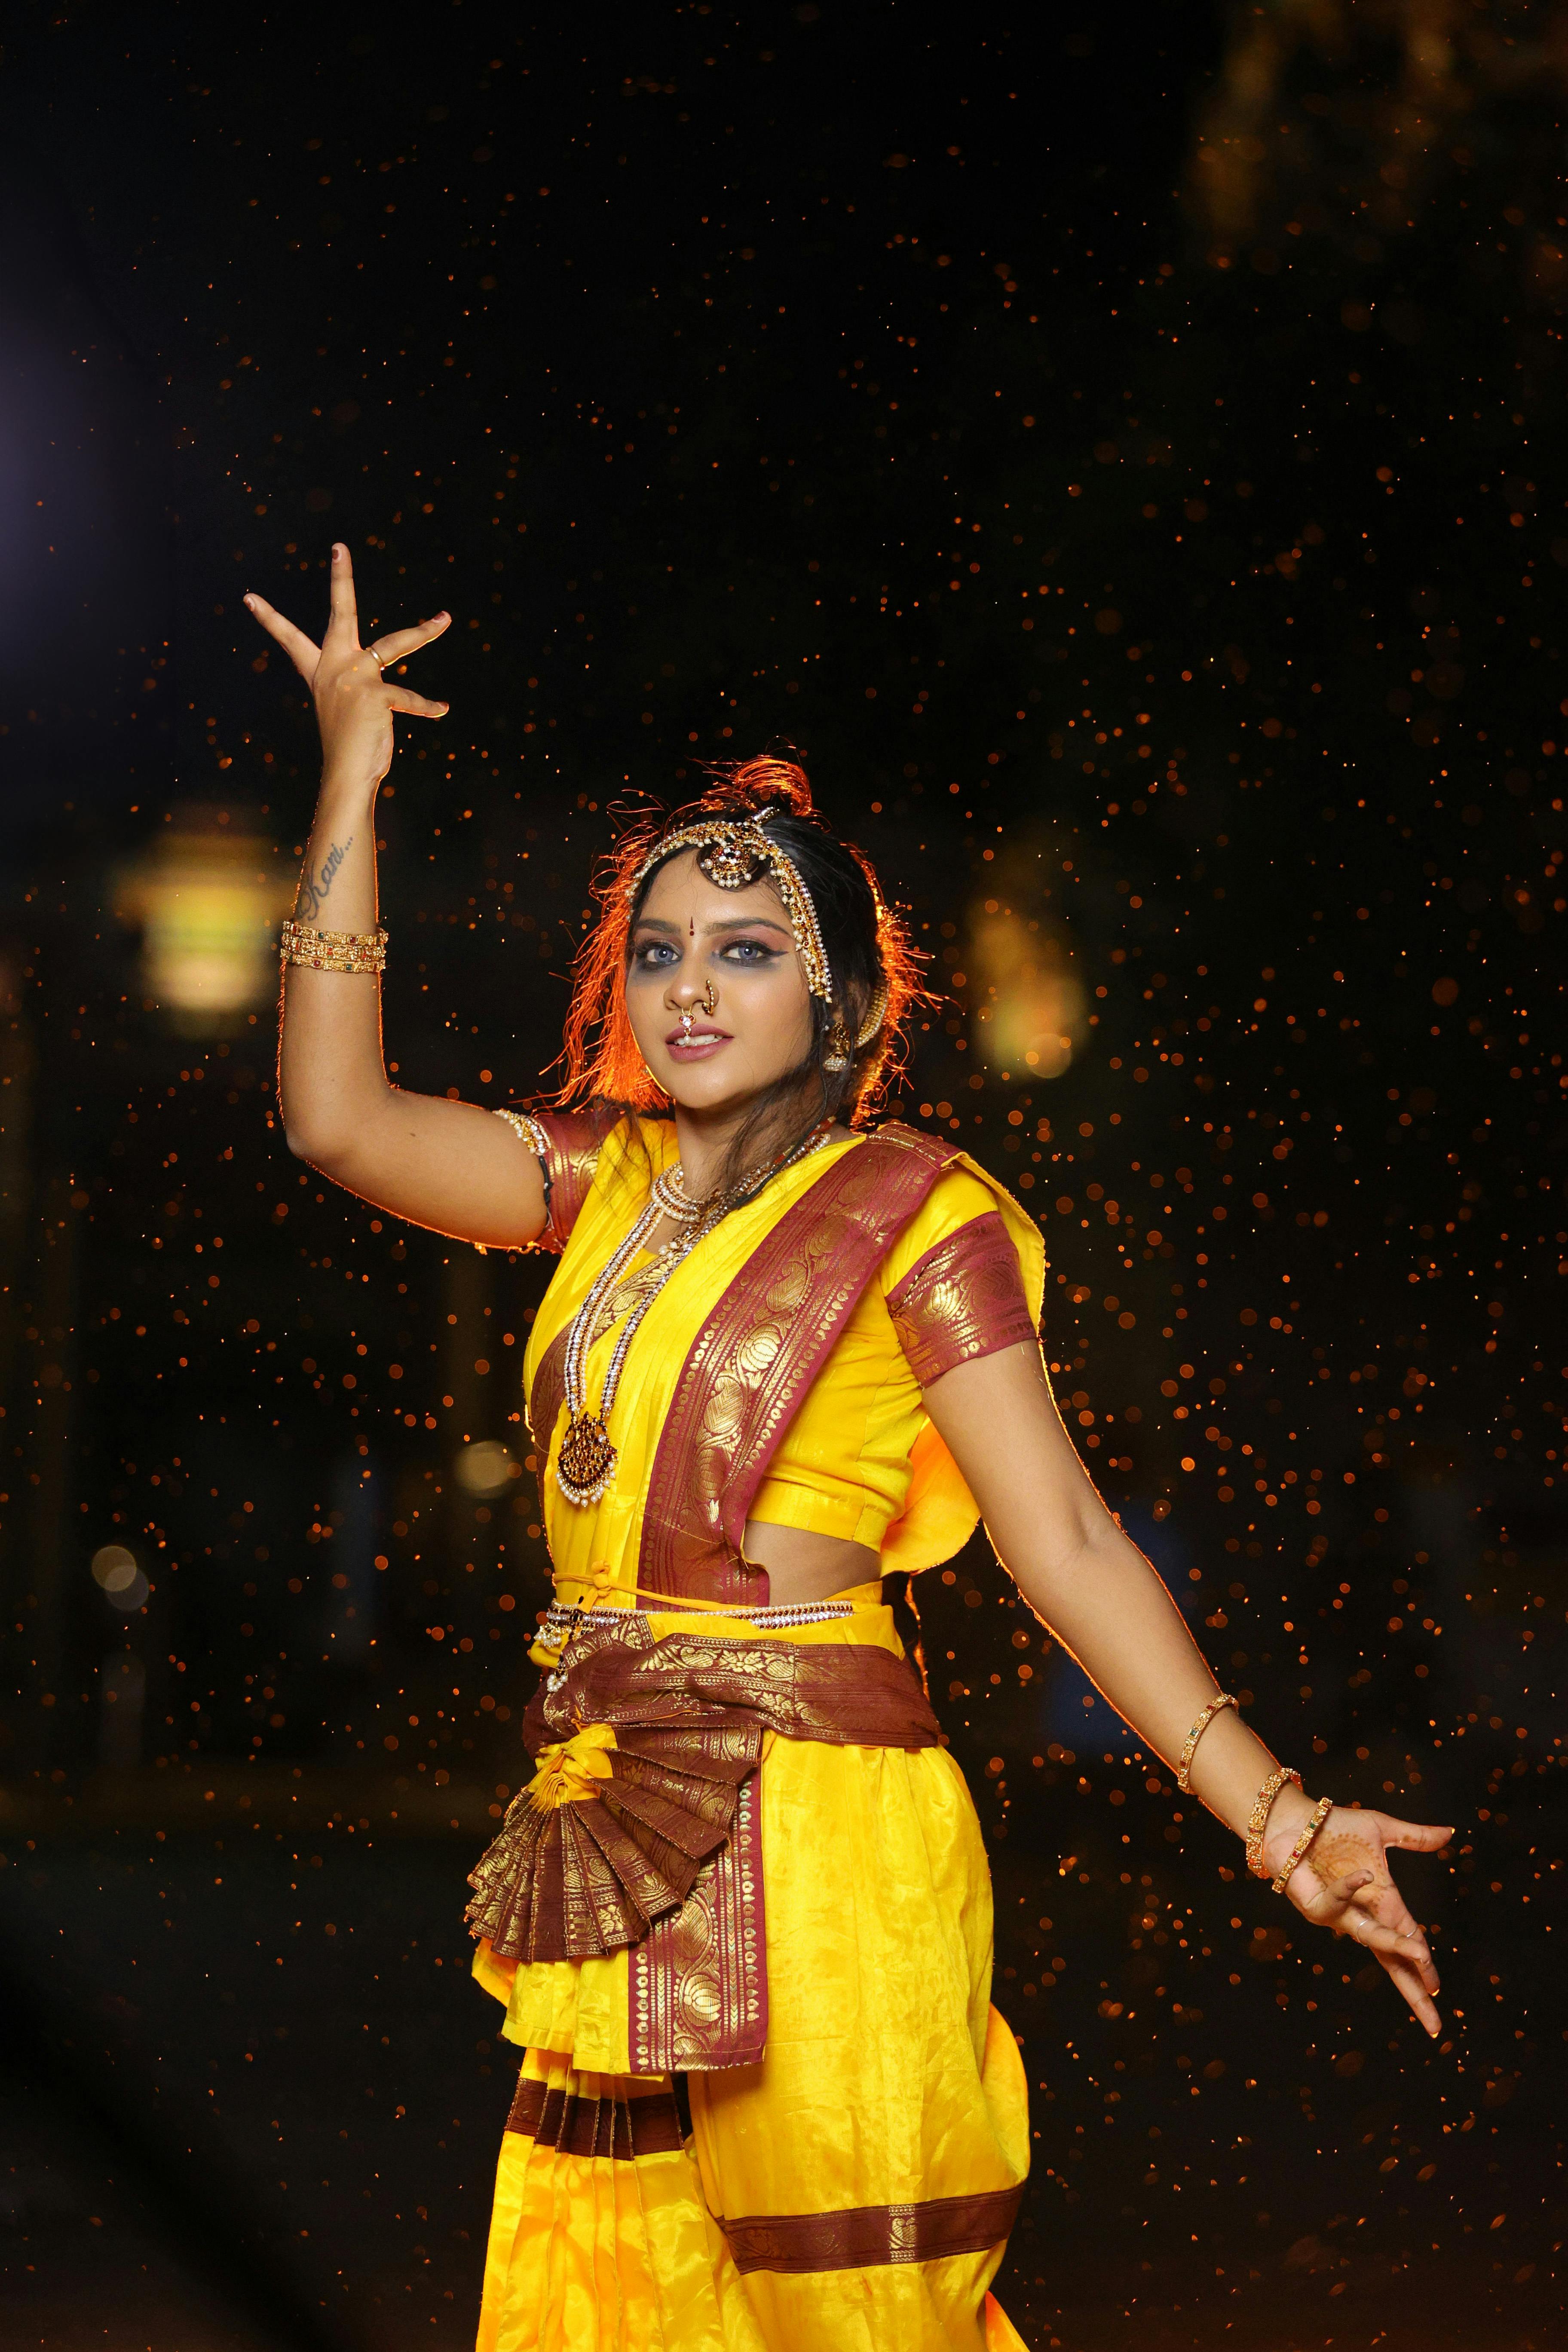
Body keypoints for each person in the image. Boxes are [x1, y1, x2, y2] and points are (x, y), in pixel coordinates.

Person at [245, 549, 1451, 2352]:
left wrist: (1276, 1814)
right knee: (609, 2315)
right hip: (612, 1818)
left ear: (851, 1004)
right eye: (658, 953)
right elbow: (336, 1120)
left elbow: (1067, 1543)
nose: (690, 988)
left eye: (749, 951)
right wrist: (350, 774)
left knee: (858, 2321)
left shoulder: (919, 1217)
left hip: (826, 1843)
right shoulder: (604, 1183)